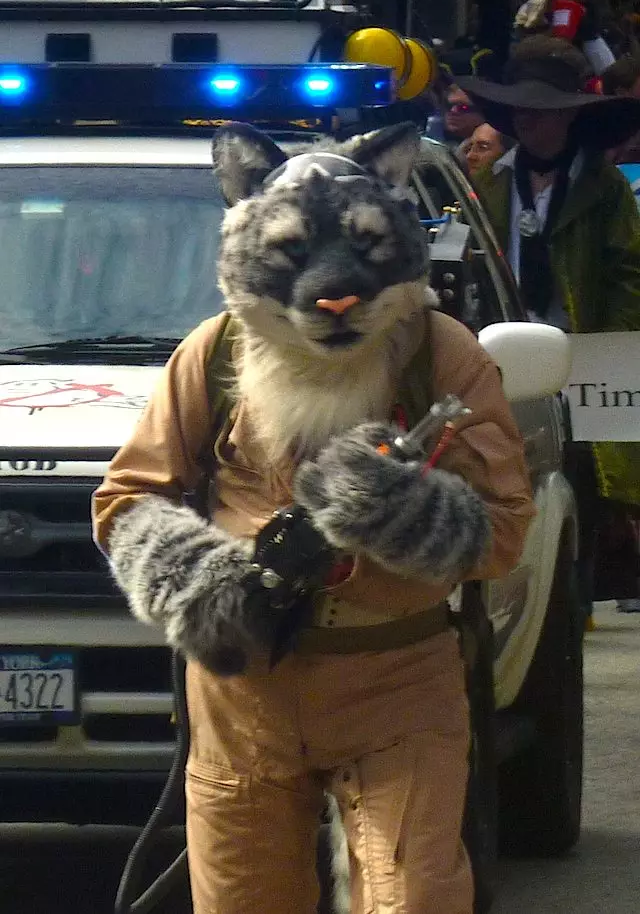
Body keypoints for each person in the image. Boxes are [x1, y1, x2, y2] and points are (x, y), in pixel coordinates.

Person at [92, 121, 535, 914]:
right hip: (245, 693)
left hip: (398, 680)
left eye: (365, 252)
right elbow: (128, 498)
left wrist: (400, 511)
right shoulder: (213, 351)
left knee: (417, 896)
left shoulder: (444, 353)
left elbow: (503, 529)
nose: (335, 290)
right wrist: (203, 584)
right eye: (294, 256)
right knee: (242, 898)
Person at [458, 35, 640, 620]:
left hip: (581, 362)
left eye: (543, 109)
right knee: (508, 477)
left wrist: (606, 351)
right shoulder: (488, 184)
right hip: (504, 360)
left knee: (584, 483)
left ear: (568, 116)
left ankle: (572, 601)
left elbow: (630, 274)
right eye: (522, 108)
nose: (530, 120)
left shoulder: (604, 189)